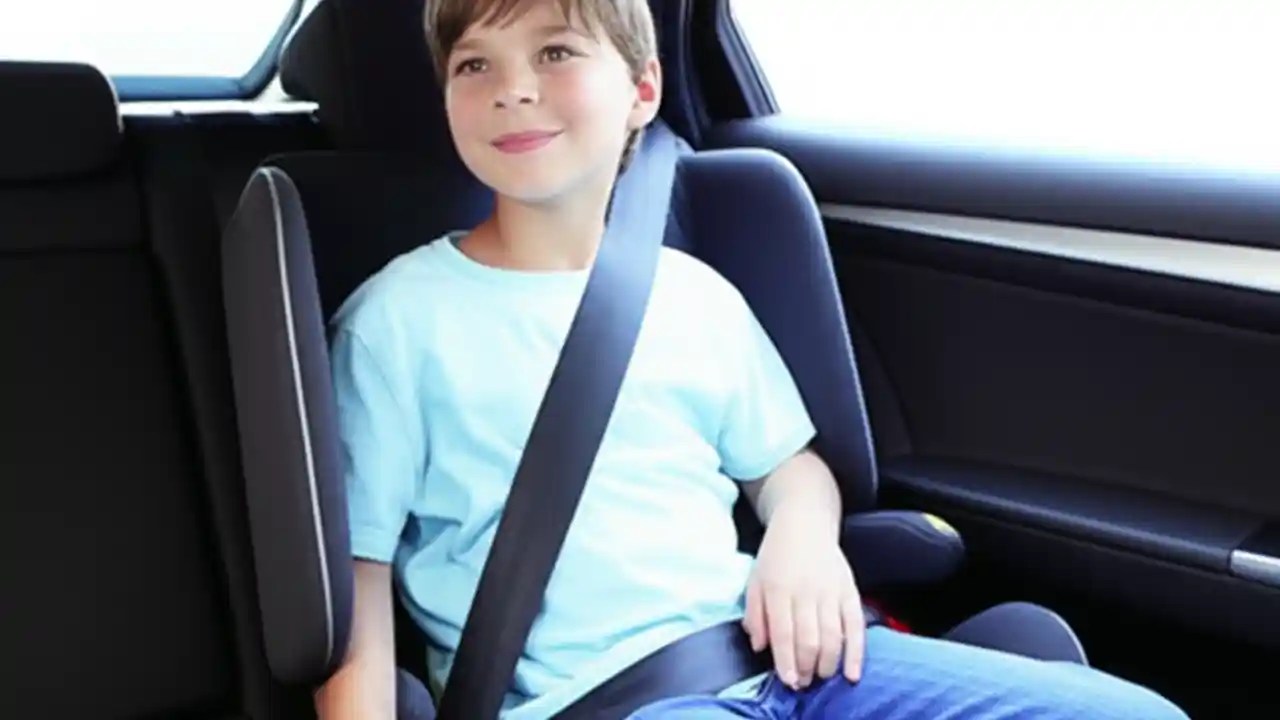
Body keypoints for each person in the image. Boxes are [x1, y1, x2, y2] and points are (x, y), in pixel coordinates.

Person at [316, 0, 1191, 718]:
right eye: (476, 65)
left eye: (555, 51)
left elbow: (788, 469)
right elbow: (353, 583)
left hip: (800, 664)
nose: (513, 91)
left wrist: (802, 543)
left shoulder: (695, 296)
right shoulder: (397, 323)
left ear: (643, 90)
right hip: (602, 703)